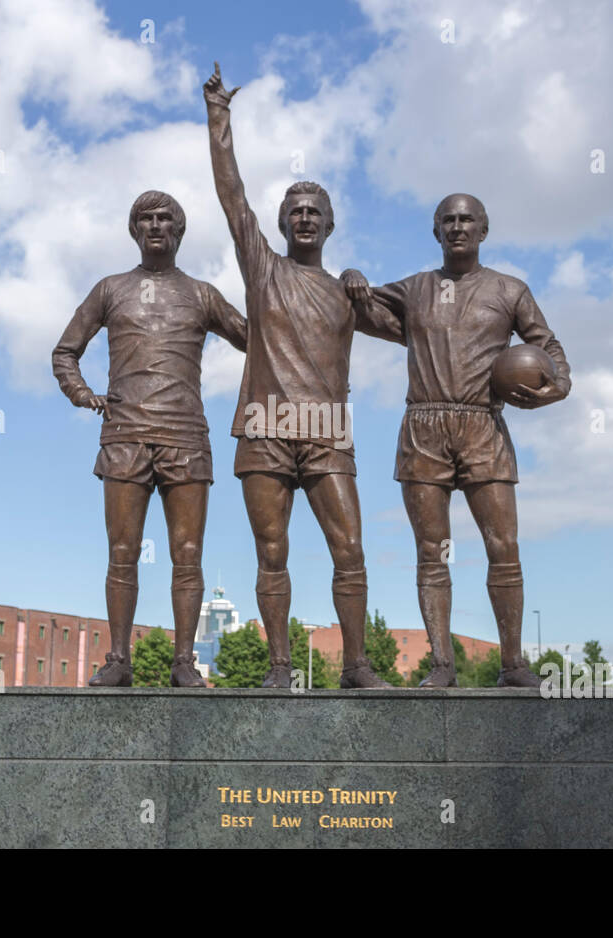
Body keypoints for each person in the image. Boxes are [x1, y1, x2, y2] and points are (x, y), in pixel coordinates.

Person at [203, 62, 401, 688]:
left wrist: (367, 295)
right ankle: (280, 668)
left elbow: (414, 330)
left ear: (330, 224)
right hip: (265, 428)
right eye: (296, 211)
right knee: (272, 553)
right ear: (284, 224)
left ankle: (358, 666)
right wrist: (219, 119)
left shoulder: (346, 293)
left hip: (326, 431)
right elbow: (232, 195)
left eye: (316, 211)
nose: (305, 218)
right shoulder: (262, 267)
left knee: (351, 551)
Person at [340, 194, 571, 686]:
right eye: (448, 220)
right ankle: (442, 665)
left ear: (484, 230)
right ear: (435, 231)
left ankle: (512, 665)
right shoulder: (416, 289)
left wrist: (557, 388)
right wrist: (351, 278)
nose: (458, 226)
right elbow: (359, 309)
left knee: (503, 545)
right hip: (424, 427)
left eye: (468, 219)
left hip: (483, 425)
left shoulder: (510, 290)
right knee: (432, 549)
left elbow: (548, 346)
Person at [53, 190, 248, 687]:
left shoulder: (203, 294)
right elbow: (65, 352)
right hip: (124, 437)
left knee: (187, 554)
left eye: (165, 219)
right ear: (134, 229)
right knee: (123, 551)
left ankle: (184, 661)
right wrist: (83, 395)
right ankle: (119, 659)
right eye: (146, 219)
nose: (156, 226)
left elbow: (258, 341)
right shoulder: (110, 289)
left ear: (179, 231)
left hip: (185, 438)